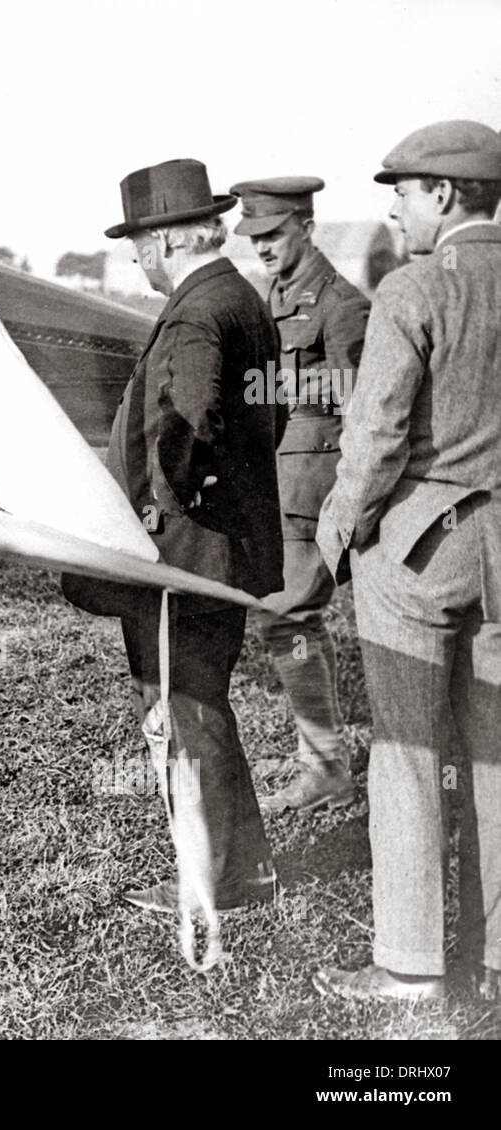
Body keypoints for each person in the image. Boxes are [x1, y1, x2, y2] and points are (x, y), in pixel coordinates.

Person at [63, 158, 288, 913]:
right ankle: (244, 868)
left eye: (138, 246)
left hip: (183, 551)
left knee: (181, 707)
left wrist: (168, 506)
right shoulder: (241, 299)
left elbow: (191, 422)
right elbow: (273, 413)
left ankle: (211, 878)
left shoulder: (195, 313)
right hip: (227, 546)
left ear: (164, 240)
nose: (138, 261)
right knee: (202, 702)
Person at [313, 120, 501, 1002]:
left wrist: (335, 537)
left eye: (404, 192)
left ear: (445, 194)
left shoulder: (414, 287)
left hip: (421, 553)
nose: (395, 209)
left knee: (407, 751)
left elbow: (377, 437)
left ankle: (411, 964)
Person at [228, 177, 370, 813]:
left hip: (314, 491)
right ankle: (323, 762)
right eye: (253, 236)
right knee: (284, 619)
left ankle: (327, 769)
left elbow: (365, 408)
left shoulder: (340, 305)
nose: (261, 246)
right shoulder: (275, 295)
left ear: (306, 228)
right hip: (279, 485)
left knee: (288, 617)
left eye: (273, 234)